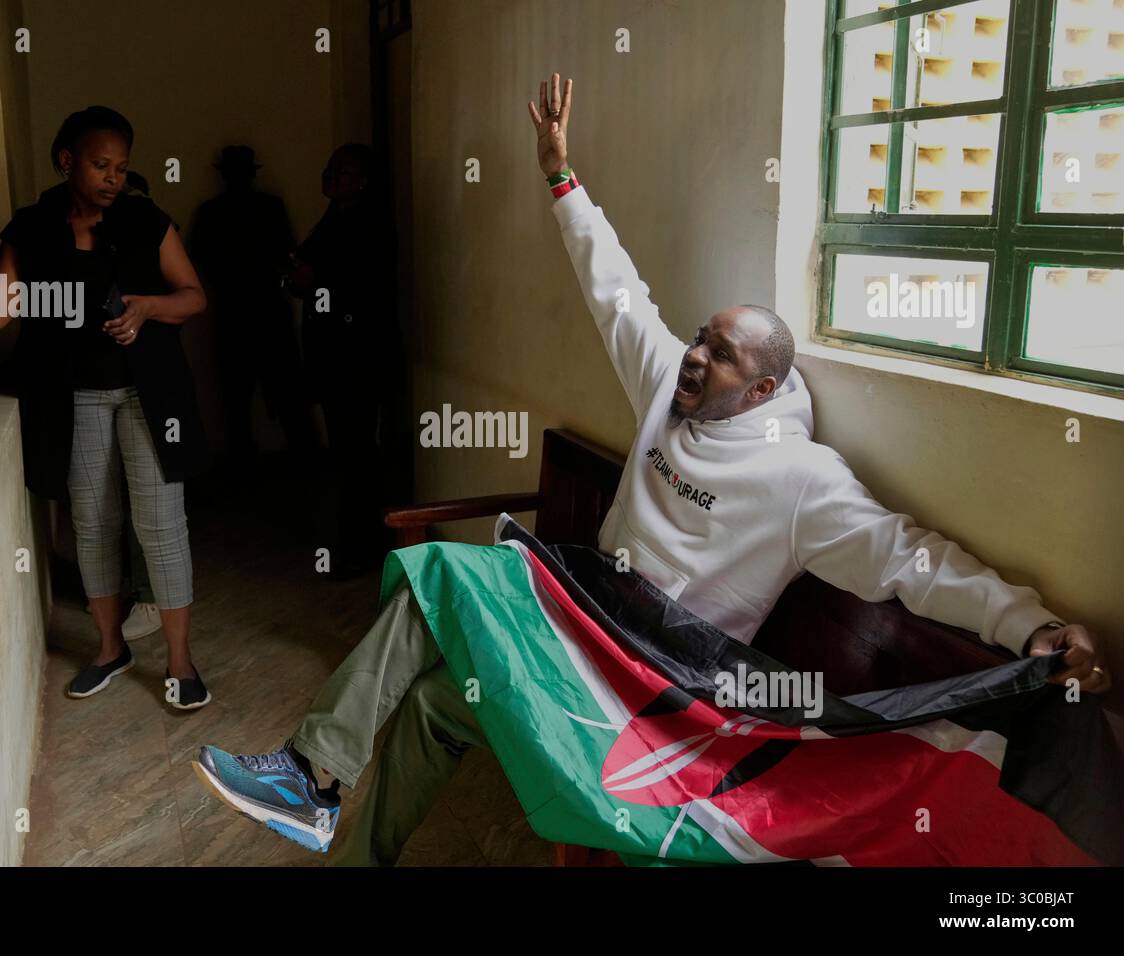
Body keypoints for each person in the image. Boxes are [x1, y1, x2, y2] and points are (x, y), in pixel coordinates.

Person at [190, 73, 1113, 862]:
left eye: (718, 356)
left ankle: (309, 776)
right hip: (579, 627)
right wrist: (561, 174)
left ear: (759, 394)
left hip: (662, 685)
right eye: (701, 339)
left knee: (447, 571)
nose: (692, 358)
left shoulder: (802, 482)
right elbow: (613, 286)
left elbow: (912, 561)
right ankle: (338, 824)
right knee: (436, 704)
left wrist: (1029, 623)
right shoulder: (668, 388)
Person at [0, 105, 213, 709]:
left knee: (161, 527)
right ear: (67, 161)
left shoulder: (145, 220)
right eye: (100, 164)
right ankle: (110, 649)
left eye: (121, 167)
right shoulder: (30, 231)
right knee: (93, 526)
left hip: (150, 394)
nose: (113, 177)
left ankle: (182, 663)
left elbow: (193, 296)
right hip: (73, 396)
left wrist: (146, 308)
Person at [285, 144, 399, 577]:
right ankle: (356, 543)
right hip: (335, 357)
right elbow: (307, 268)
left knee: (357, 454)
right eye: (330, 167)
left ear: (363, 179)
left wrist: (315, 279)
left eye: (342, 170)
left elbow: (362, 286)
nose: (330, 175)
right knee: (348, 452)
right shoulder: (336, 218)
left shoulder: (371, 223)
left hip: (358, 358)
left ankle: (363, 549)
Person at [190, 145, 309, 461]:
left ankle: (246, 465)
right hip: (267, 307)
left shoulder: (212, 212)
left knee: (239, 399)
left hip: (235, 310)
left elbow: (199, 258)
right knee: (282, 393)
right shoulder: (269, 207)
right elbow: (288, 255)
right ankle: (303, 458)